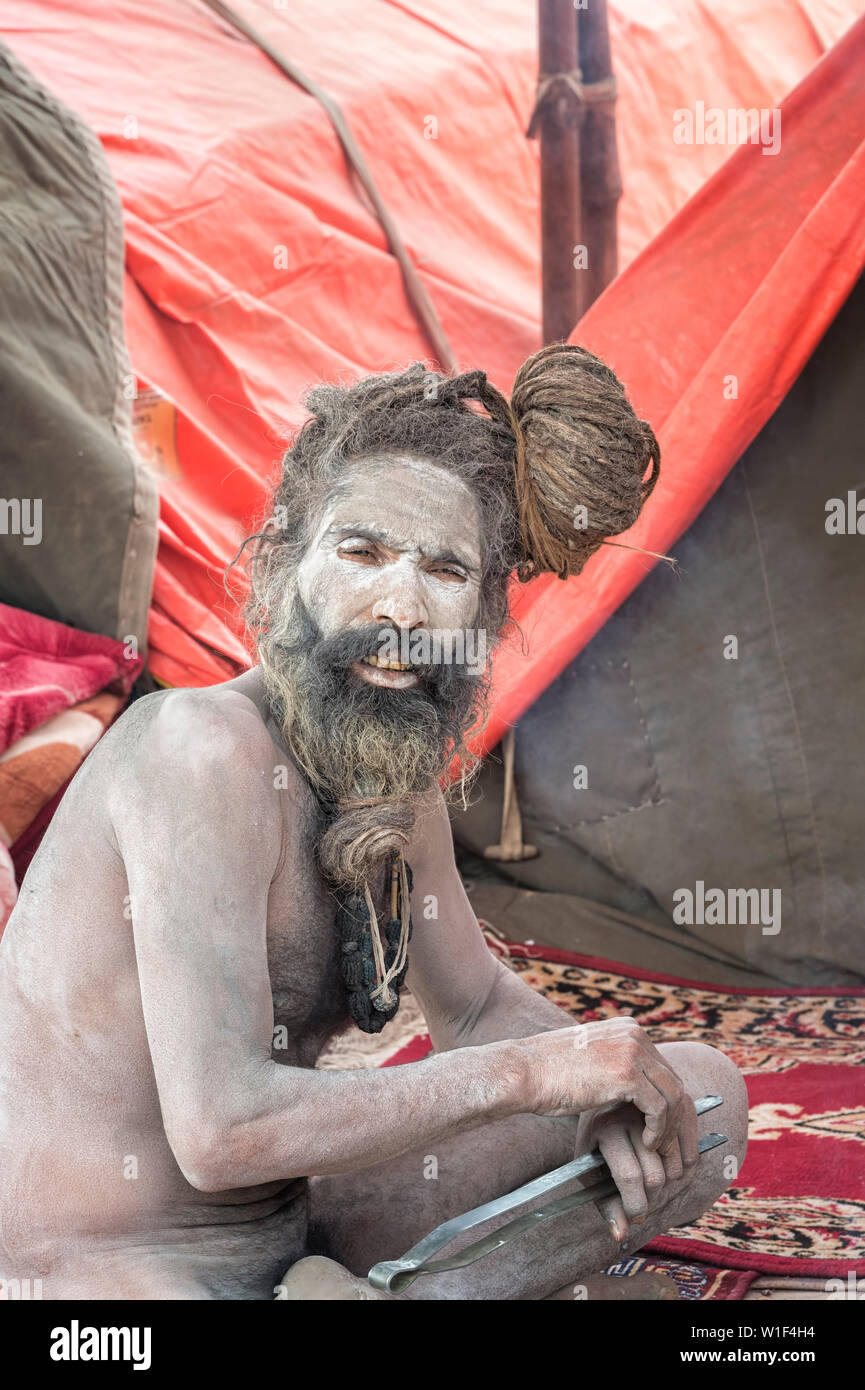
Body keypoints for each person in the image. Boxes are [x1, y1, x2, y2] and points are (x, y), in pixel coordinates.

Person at [0, 345, 748, 1300]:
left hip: (290, 1230)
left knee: (696, 1099)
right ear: (285, 561)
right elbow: (223, 1133)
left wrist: (603, 1087)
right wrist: (536, 1075)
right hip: (101, 1277)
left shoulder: (387, 773)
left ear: (481, 609)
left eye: (444, 570)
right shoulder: (198, 750)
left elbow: (474, 1008)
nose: (397, 607)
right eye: (360, 552)